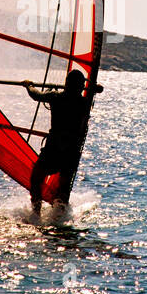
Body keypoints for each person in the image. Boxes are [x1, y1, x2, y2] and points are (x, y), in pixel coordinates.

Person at [23, 70, 103, 217]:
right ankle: (60, 217)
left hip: (53, 149)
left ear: (66, 84)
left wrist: (29, 85)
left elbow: (36, 95)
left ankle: (36, 213)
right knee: (64, 187)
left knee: (36, 178)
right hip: (71, 152)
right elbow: (93, 91)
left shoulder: (55, 97)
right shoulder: (84, 103)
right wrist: (94, 89)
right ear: (80, 87)